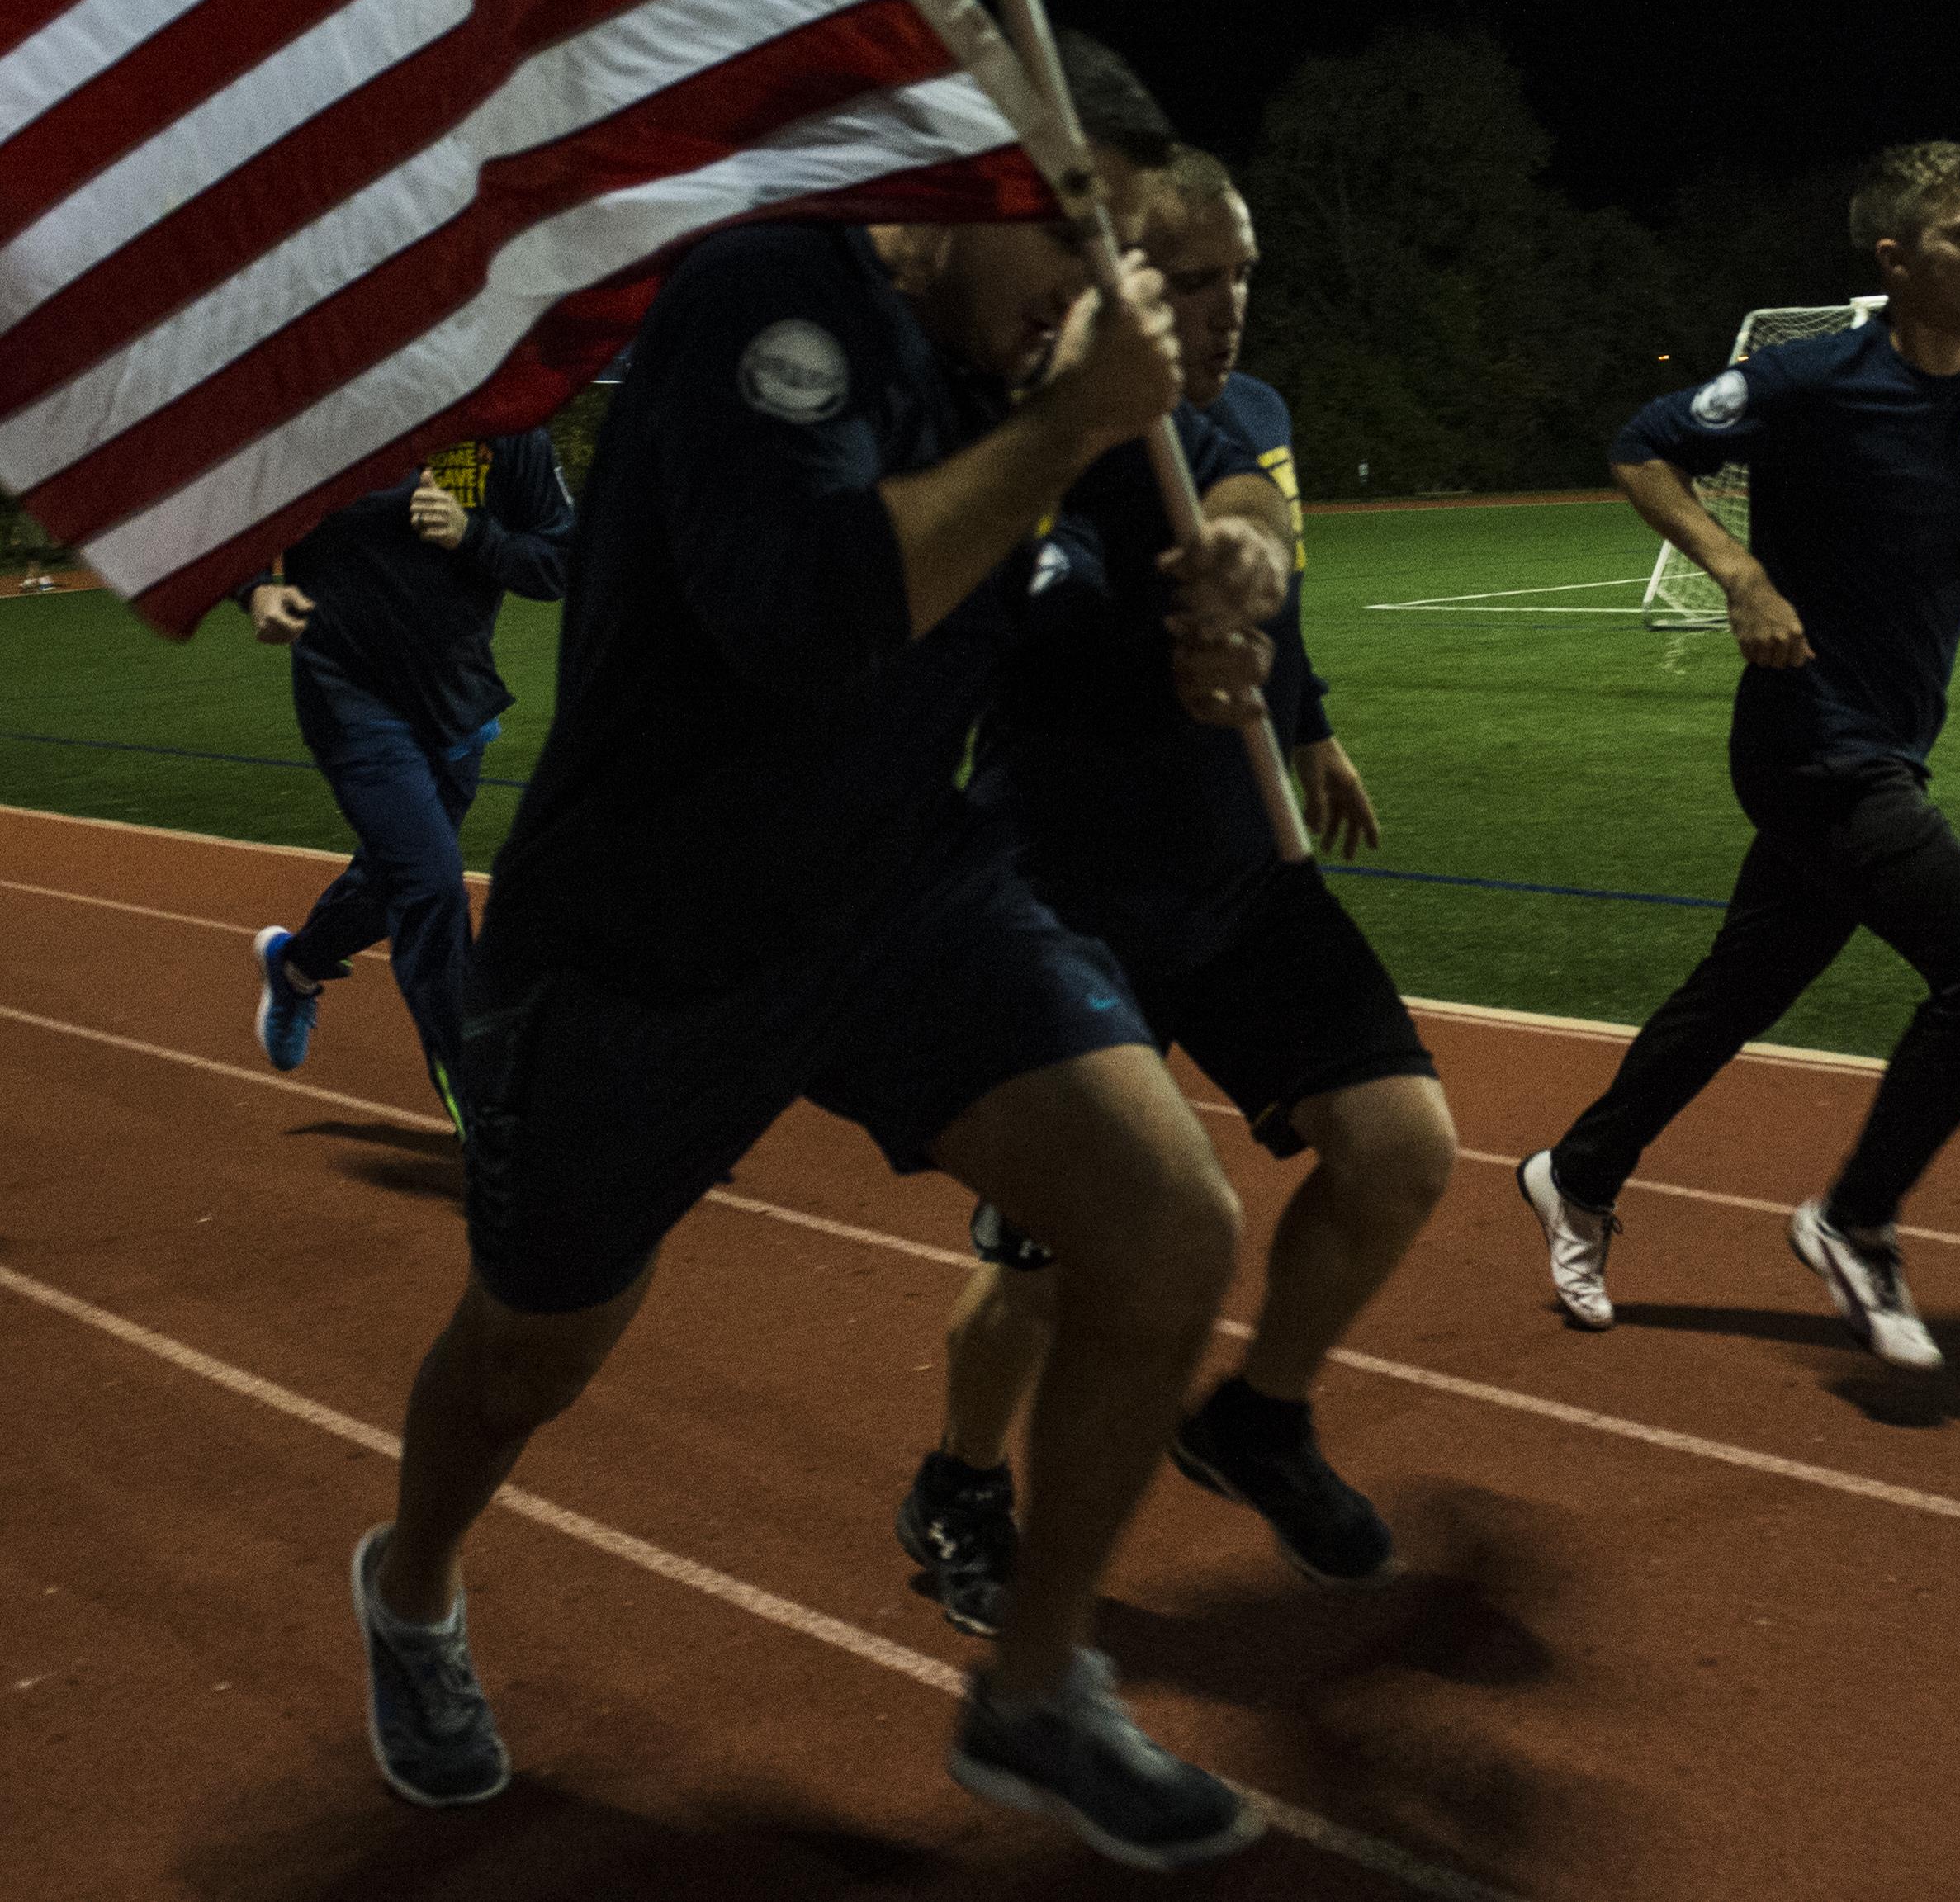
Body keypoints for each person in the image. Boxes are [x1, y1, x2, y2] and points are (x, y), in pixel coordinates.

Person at [349, 119, 1293, 1871]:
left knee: (1168, 1224)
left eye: (1140, 288)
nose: (1104, 315)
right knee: (528, 1351)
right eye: (1088, 263)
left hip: (891, 893)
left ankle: (1031, 1687)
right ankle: (410, 1588)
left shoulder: (1033, 363)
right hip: (646, 930)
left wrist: (1242, 555)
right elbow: (806, 612)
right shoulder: (769, 301)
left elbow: (1232, 455)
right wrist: (1069, 423)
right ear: (958, 200)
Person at [897, 142, 1453, 1633]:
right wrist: (1146, 602)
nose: (1226, 309)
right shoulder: (1017, 429)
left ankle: (1258, 1418)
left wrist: (1278, 659)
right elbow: (1006, 610)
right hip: (1056, 897)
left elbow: (1253, 531)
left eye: (1242, 276)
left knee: (1398, 1149)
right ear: (1108, 284)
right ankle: (960, 1480)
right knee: (1063, 1260)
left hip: (1231, 866)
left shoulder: (1242, 417)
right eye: (1189, 280)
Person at [1513, 141, 1960, 1369]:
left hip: (1892, 736)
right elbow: (1638, 443)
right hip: (1809, 742)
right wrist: (1737, 574)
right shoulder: (1808, 380)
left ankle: (1576, 1170)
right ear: (1894, 263)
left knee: (1740, 990)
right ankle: (1853, 1218)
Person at [244, 434, 572, 1116]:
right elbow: (224, 513)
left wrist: (473, 535)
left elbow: (559, 563)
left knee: (395, 877)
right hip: (348, 694)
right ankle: (484, 1109)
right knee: (430, 887)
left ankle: (298, 965)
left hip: (457, 700)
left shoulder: (510, 434)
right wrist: (254, 592)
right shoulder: (330, 407)